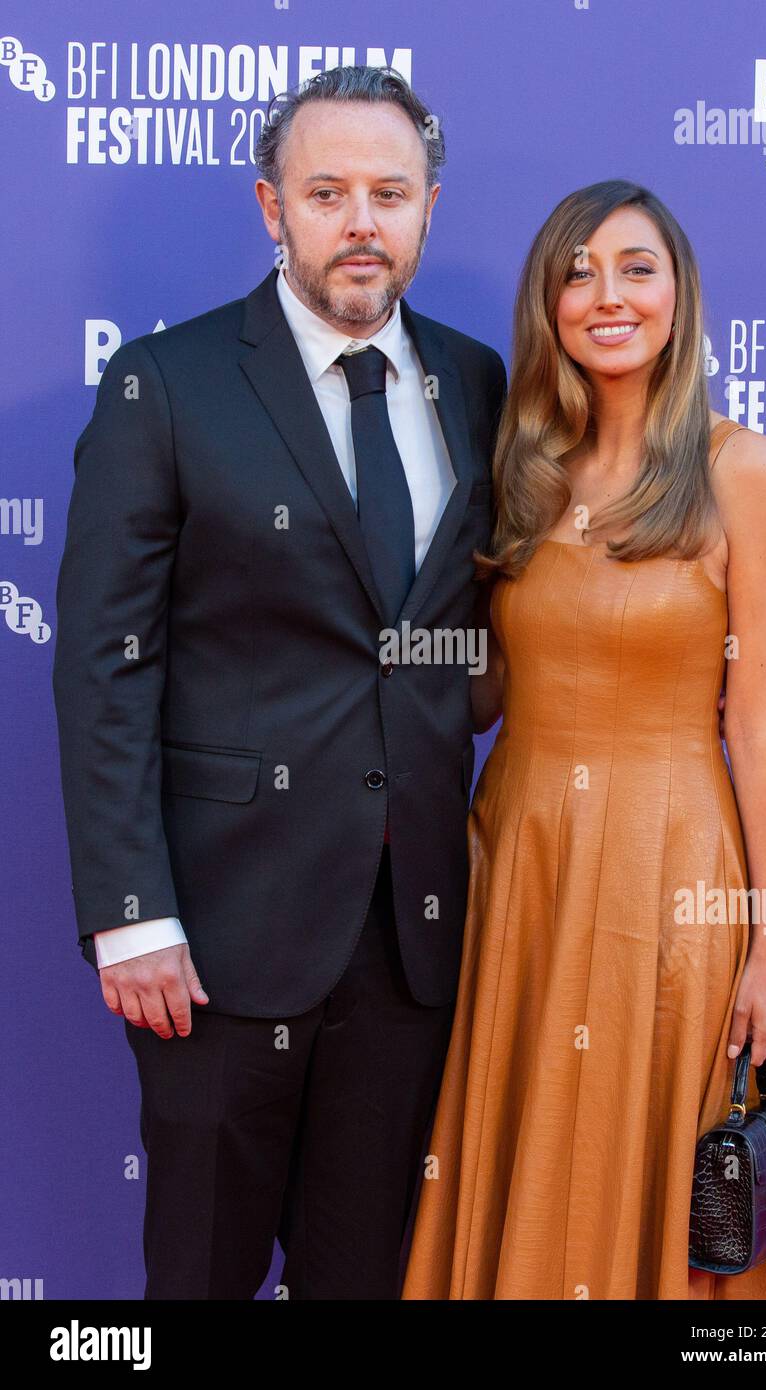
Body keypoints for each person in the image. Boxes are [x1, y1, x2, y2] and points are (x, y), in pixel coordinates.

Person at [51, 65, 506, 1300]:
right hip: (217, 935)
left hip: (408, 935)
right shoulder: (167, 384)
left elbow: (450, 630)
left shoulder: (474, 384)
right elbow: (103, 659)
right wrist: (130, 908)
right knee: (197, 1275)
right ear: (270, 207)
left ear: (426, 210)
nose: (361, 220)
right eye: (327, 191)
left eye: (388, 193)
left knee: (359, 1278)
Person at [401, 180, 766, 1300]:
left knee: (647, 1165)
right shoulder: (519, 474)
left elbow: (759, 722)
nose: (605, 294)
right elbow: (484, 691)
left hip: (669, 875)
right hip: (520, 865)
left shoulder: (742, 469)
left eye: (635, 267)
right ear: (547, 306)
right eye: (575, 272)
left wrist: (765, 943)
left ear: (678, 295)